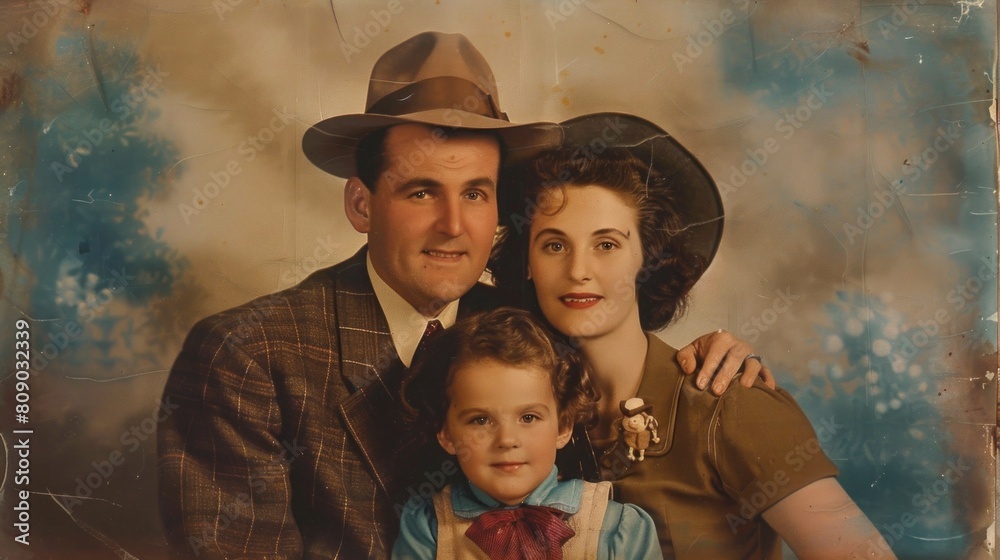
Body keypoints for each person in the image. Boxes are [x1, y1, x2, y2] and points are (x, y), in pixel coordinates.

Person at [157, 34, 767, 558]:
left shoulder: (531, 328)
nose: (453, 225)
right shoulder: (248, 356)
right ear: (361, 204)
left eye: (475, 193)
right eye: (421, 191)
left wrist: (707, 368)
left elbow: (622, 436)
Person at [491, 112, 898, 559]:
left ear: (648, 258)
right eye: (554, 245)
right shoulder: (518, 416)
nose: (578, 271)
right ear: (527, 262)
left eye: (606, 244)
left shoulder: (729, 402)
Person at [394, 307, 662, 560]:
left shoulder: (617, 528)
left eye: (528, 417)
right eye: (481, 420)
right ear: (446, 434)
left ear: (563, 426)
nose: (507, 440)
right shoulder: (428, 527)